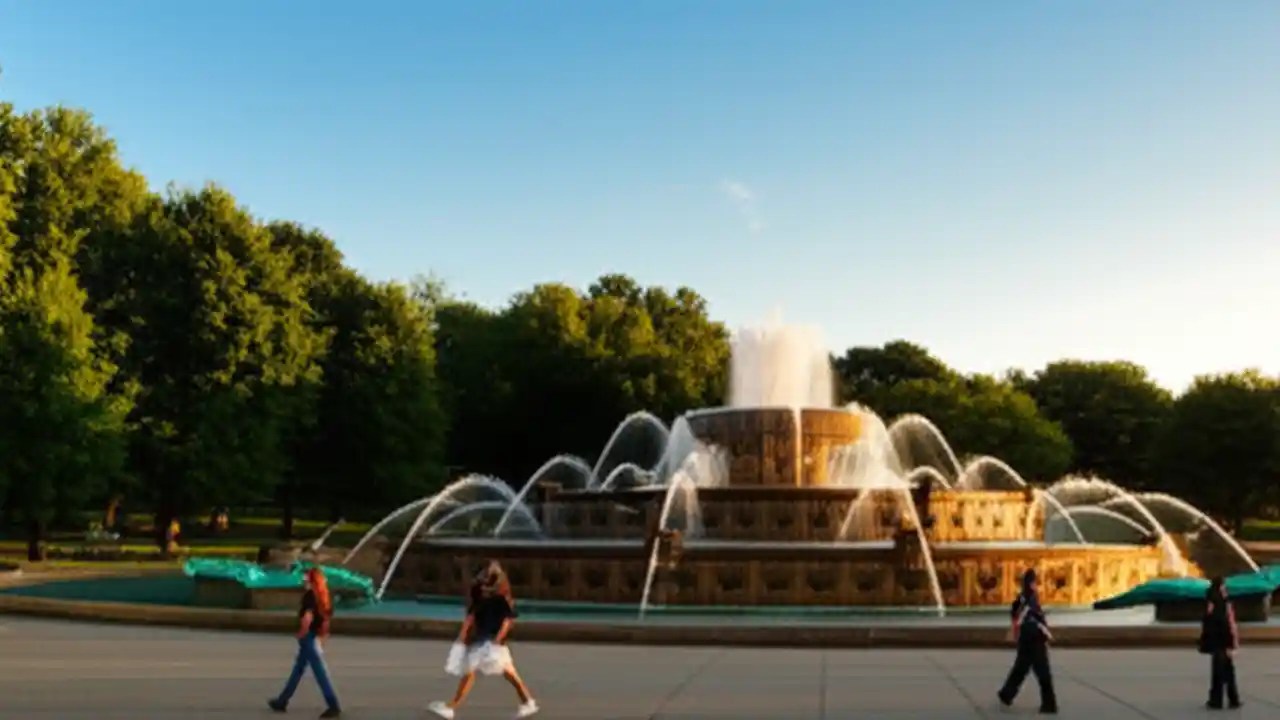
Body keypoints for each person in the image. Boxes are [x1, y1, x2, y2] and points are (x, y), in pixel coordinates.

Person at [428, 561, 539, 718]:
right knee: (508, 672)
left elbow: (507, 621)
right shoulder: (480, 593)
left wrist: (496, 638)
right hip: (485, 639)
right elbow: (472, 616)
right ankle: (528, 702)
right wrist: (464, 634)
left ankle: (451, 707)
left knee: (472, 671)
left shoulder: (501, 598)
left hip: (492, 641)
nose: (484, 583)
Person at [268, 567, 342, 718]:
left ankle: (333, 704)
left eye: (306, 578)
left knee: (319, 672)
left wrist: (302, 632)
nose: (303, 580)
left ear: (311, 580)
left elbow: (307, 617)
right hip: (315, 635)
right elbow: (325, 620)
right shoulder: (324, 596)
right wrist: (323, 636)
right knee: (298, 669)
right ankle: (282, 700)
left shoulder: (310, 596)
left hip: (308, 637)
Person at [998, 568, 1058, 714]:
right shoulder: (1031, 597)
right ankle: (1049, 704)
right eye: (1035, 582)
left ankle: (1007, 694)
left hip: (1026, 639)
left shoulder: (1022, 597)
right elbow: (1036, 618)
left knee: (1020, 668)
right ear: (1032, 583)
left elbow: (1014, 613)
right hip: (1035, 640)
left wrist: (1016, 631)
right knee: (1042, 673)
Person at [1202, 577, 1242, 710]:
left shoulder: (1211, 602)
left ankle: (1217, 700)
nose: (1226, 589)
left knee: (1219, 673)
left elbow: (1208, 623)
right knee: (1227, 672)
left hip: (1217, 642)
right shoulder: (1223, 604)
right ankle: (1232, 699)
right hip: (1223, 642)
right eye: (1224, 587)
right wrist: (1231, 643)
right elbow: (1228, 624)